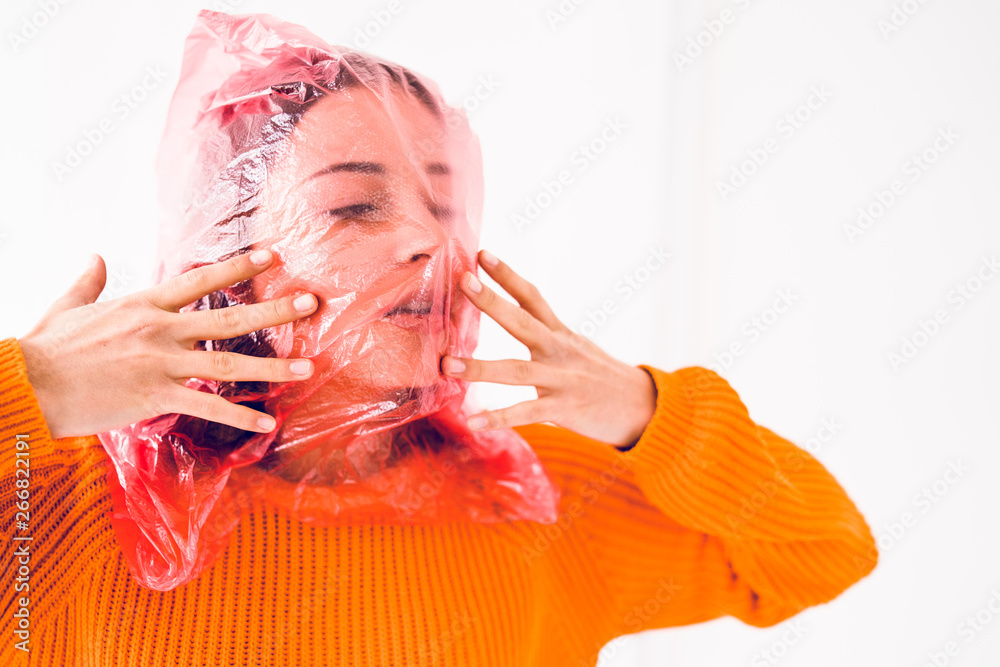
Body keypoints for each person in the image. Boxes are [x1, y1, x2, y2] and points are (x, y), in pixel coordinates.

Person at [0, 10, 878, 666]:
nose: (431, 243)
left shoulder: (540, 499)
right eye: (353, 206)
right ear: (226, 260)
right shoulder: (67, 511)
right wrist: (26, 389)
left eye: (444, 206)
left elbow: (822, 548)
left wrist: (646, 410)